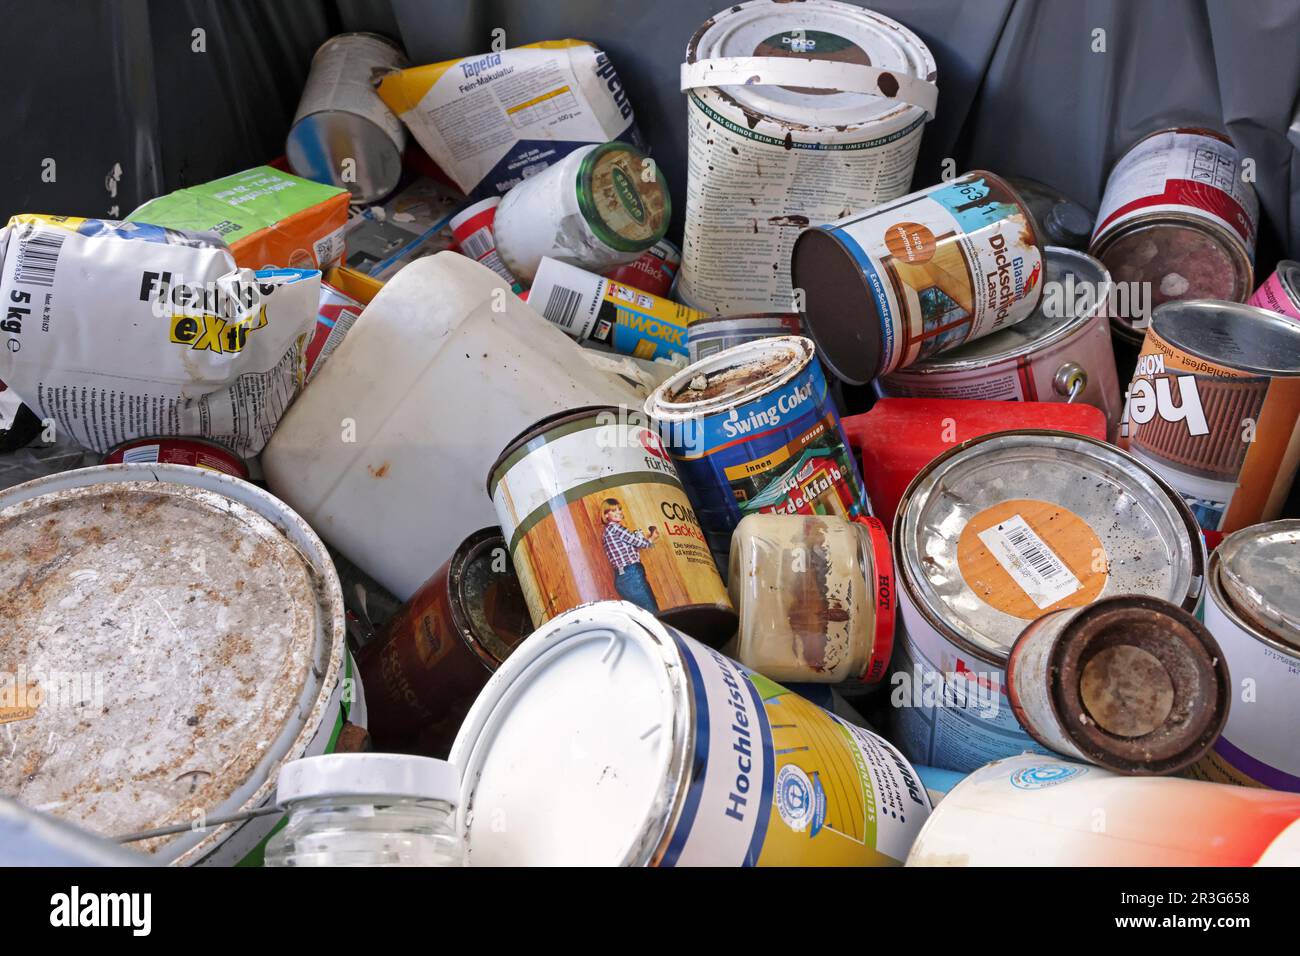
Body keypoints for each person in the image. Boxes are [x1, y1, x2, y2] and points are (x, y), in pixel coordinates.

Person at [600, 498, 660, 613]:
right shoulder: (616, 528)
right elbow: (642, 544)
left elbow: (631, 546)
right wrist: (652, 538)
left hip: (623, 577)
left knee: (643, 618)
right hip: (631, 575)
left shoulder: (608, 531)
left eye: (619, 509)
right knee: (653, 615)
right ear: (606, 515)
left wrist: (645, 539)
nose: (619, 512)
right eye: (613, 510)